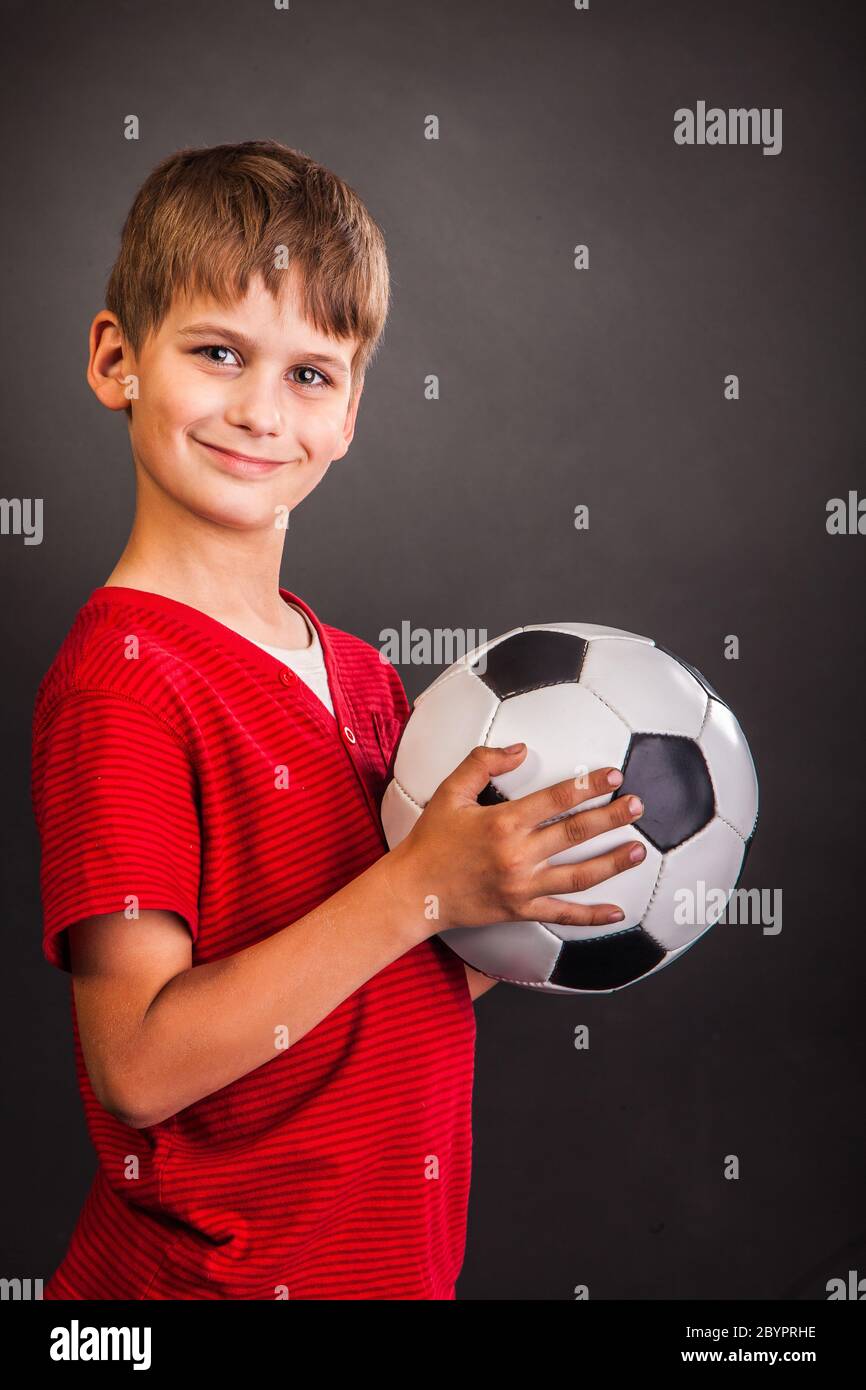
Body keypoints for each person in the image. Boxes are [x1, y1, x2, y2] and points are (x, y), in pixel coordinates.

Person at [30, 139, 646, 1300]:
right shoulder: (122, 682)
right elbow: (142, 1065)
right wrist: (421, 887)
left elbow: (377, 980)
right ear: (118, 359)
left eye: (310, 374)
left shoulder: (365, 679)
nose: (260, 411)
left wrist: (519, 898)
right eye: (218, 353)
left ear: (353, 407)